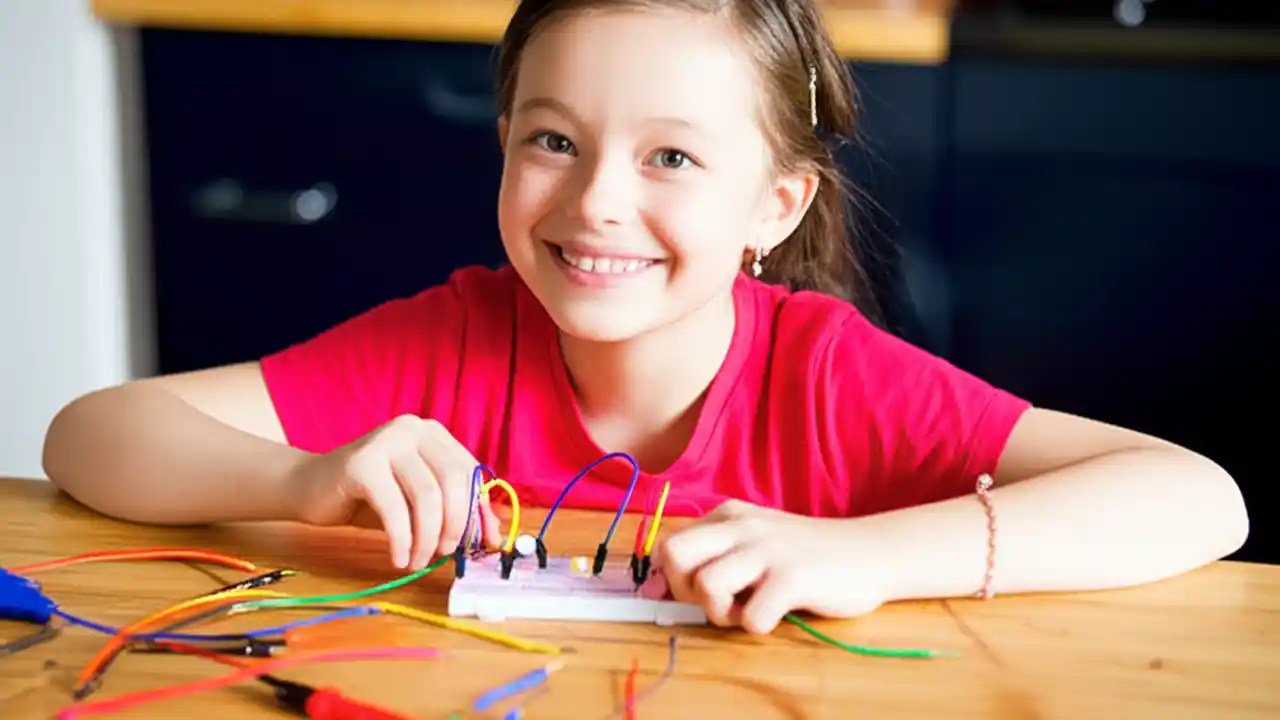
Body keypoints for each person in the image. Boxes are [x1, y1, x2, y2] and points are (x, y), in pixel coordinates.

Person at [42, 0, 1247, 635]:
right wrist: (305, 477)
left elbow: (1198, 496)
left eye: (669, 156)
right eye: (551, 141)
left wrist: (867, 556)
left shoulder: (825, 376)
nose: (594, 202)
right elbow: (92, 434)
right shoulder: (452, 336)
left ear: (771, 207)